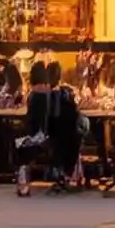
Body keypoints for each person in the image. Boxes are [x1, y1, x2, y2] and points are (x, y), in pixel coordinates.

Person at [46, 61, 83, 192]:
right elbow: (75, 112)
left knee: (61, 142)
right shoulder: (66, 93)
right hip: (67, 134)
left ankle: (58, 171)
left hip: (50, 132)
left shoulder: (42, 93)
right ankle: (66, 173)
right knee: (77, 138)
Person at [16, 63, 51, 197]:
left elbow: (31, 119)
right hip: (47, 134)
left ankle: (23, 178)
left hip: (36, 135)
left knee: (18, 141)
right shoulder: (49, 92)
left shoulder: (33, 95)